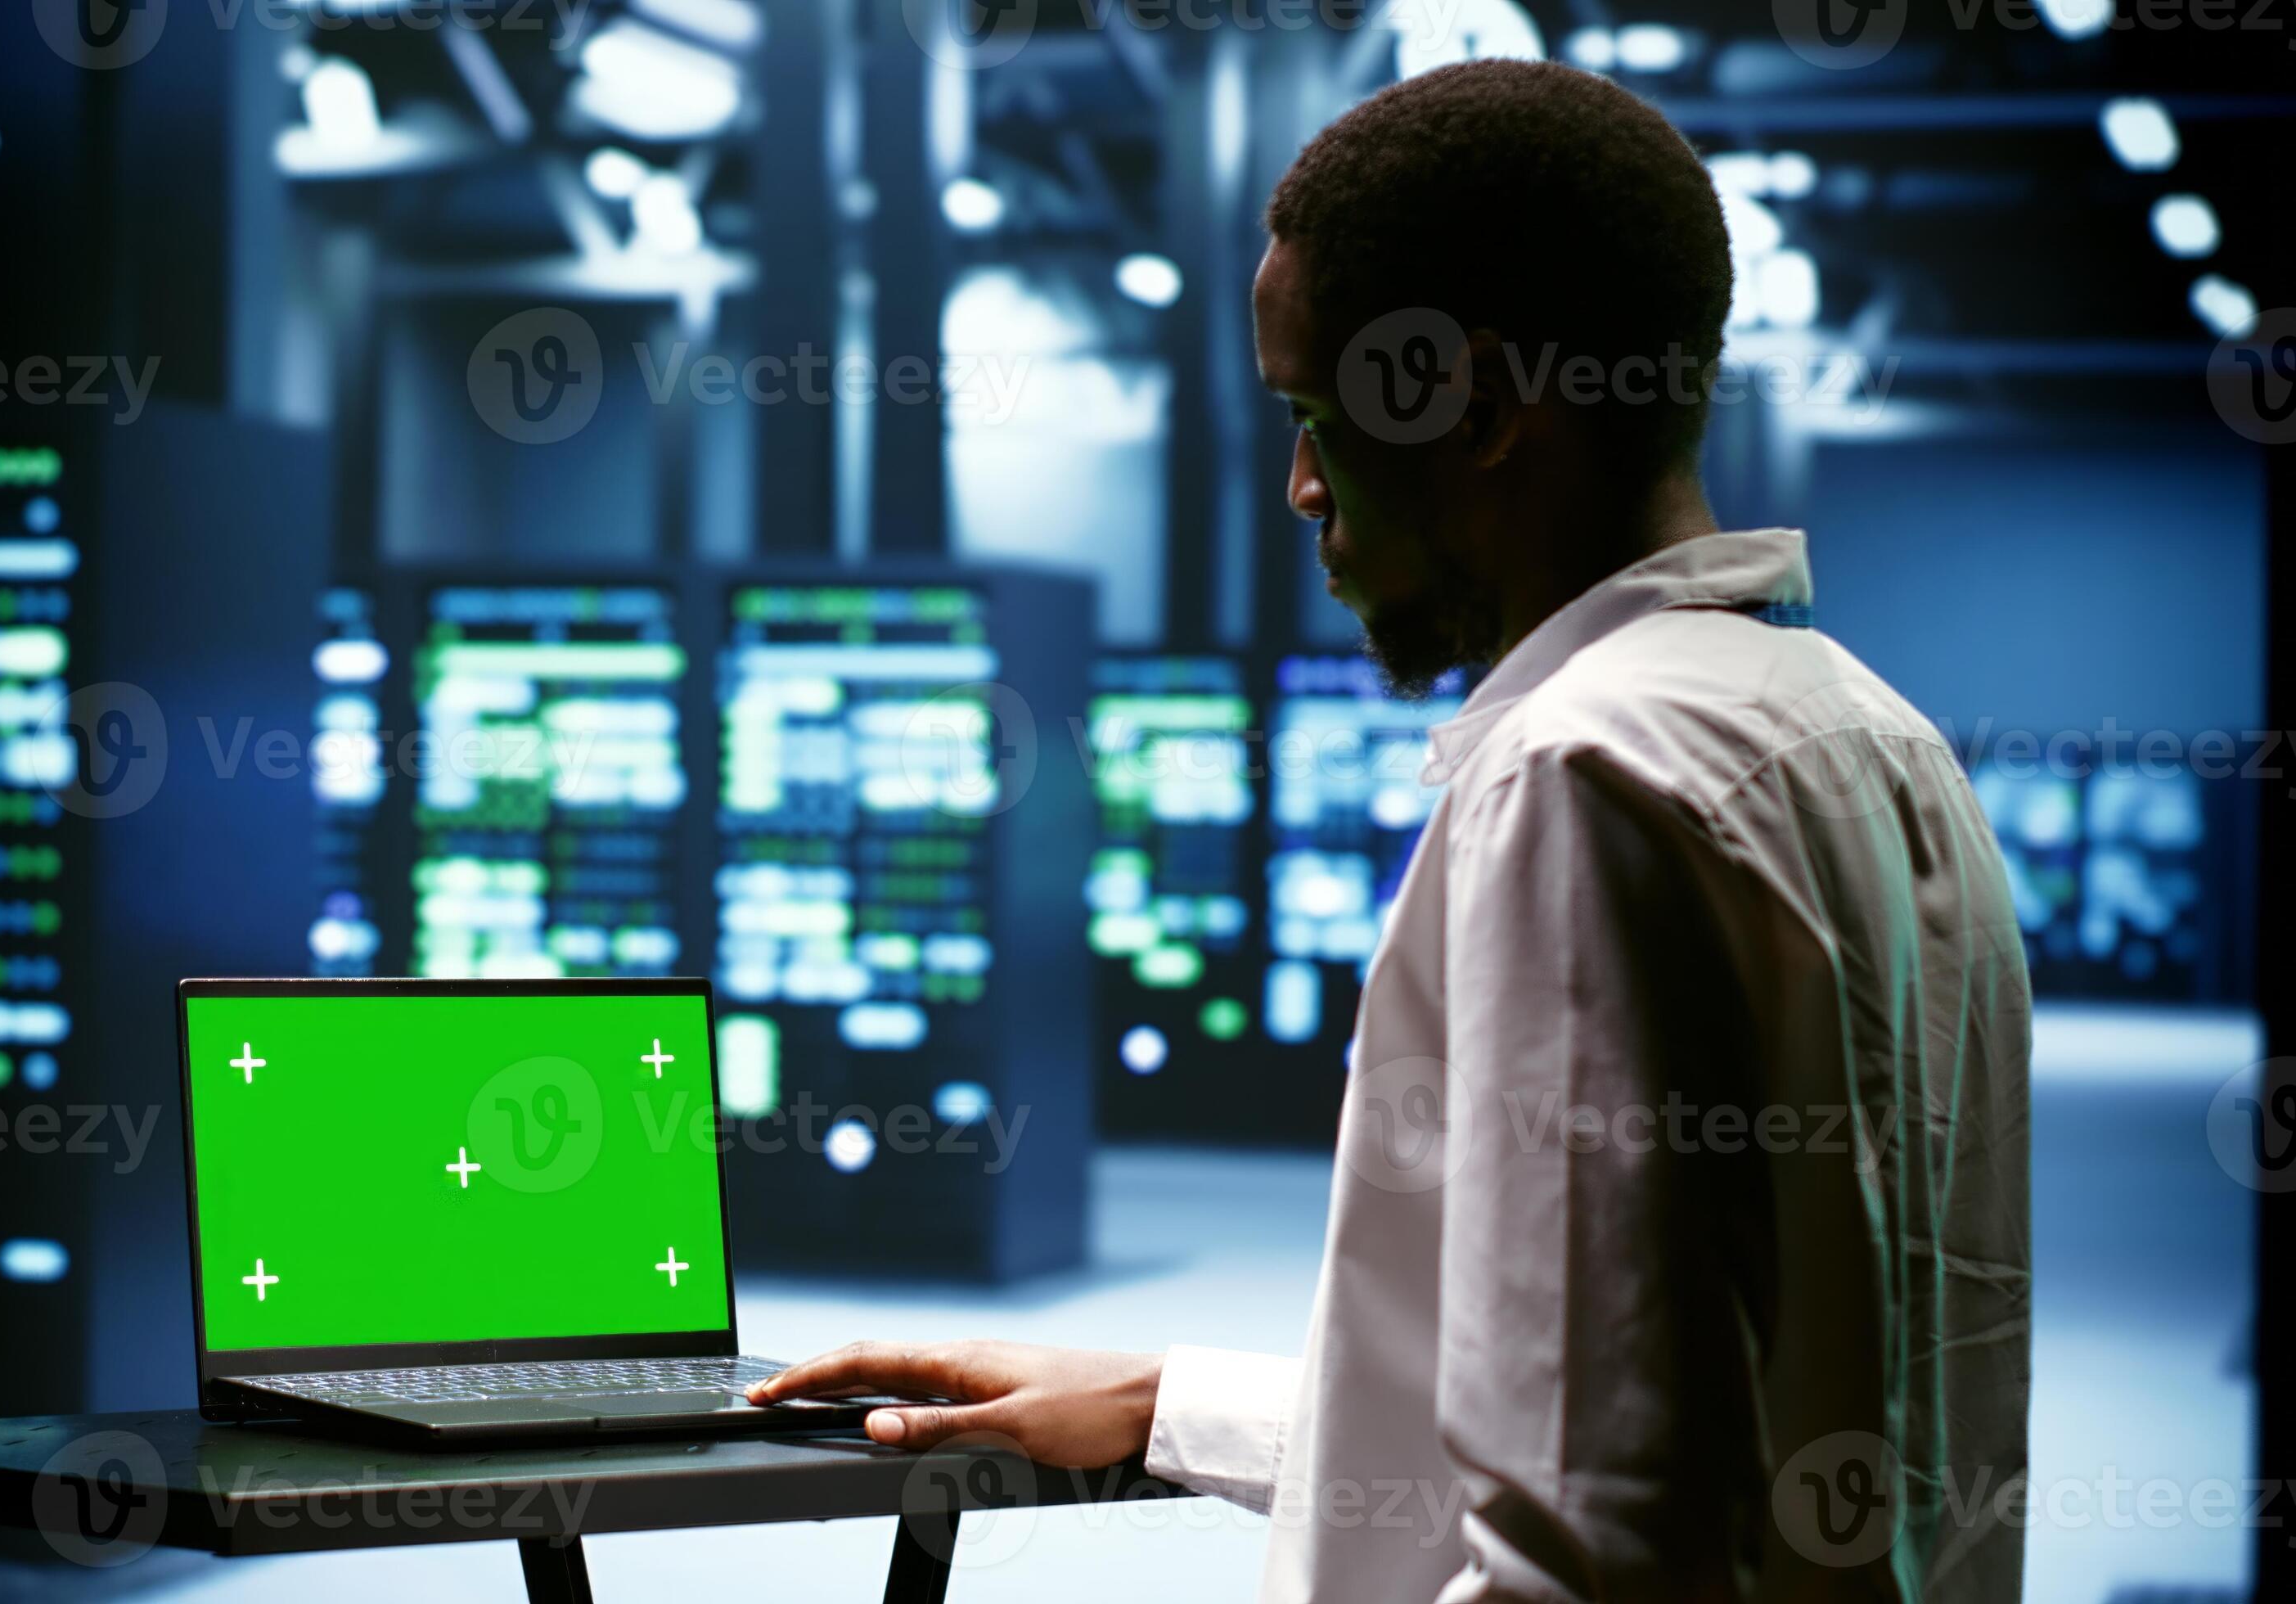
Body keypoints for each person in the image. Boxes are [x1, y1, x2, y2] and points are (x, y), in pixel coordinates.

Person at [750, 59, 2031, 1602]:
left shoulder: (1582, 773)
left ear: (1472, 406)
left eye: (1313, 417)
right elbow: (1687, 1421)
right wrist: (1171, 1406)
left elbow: (1591, 1553)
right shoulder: (1872, 743)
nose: (1298, 490)